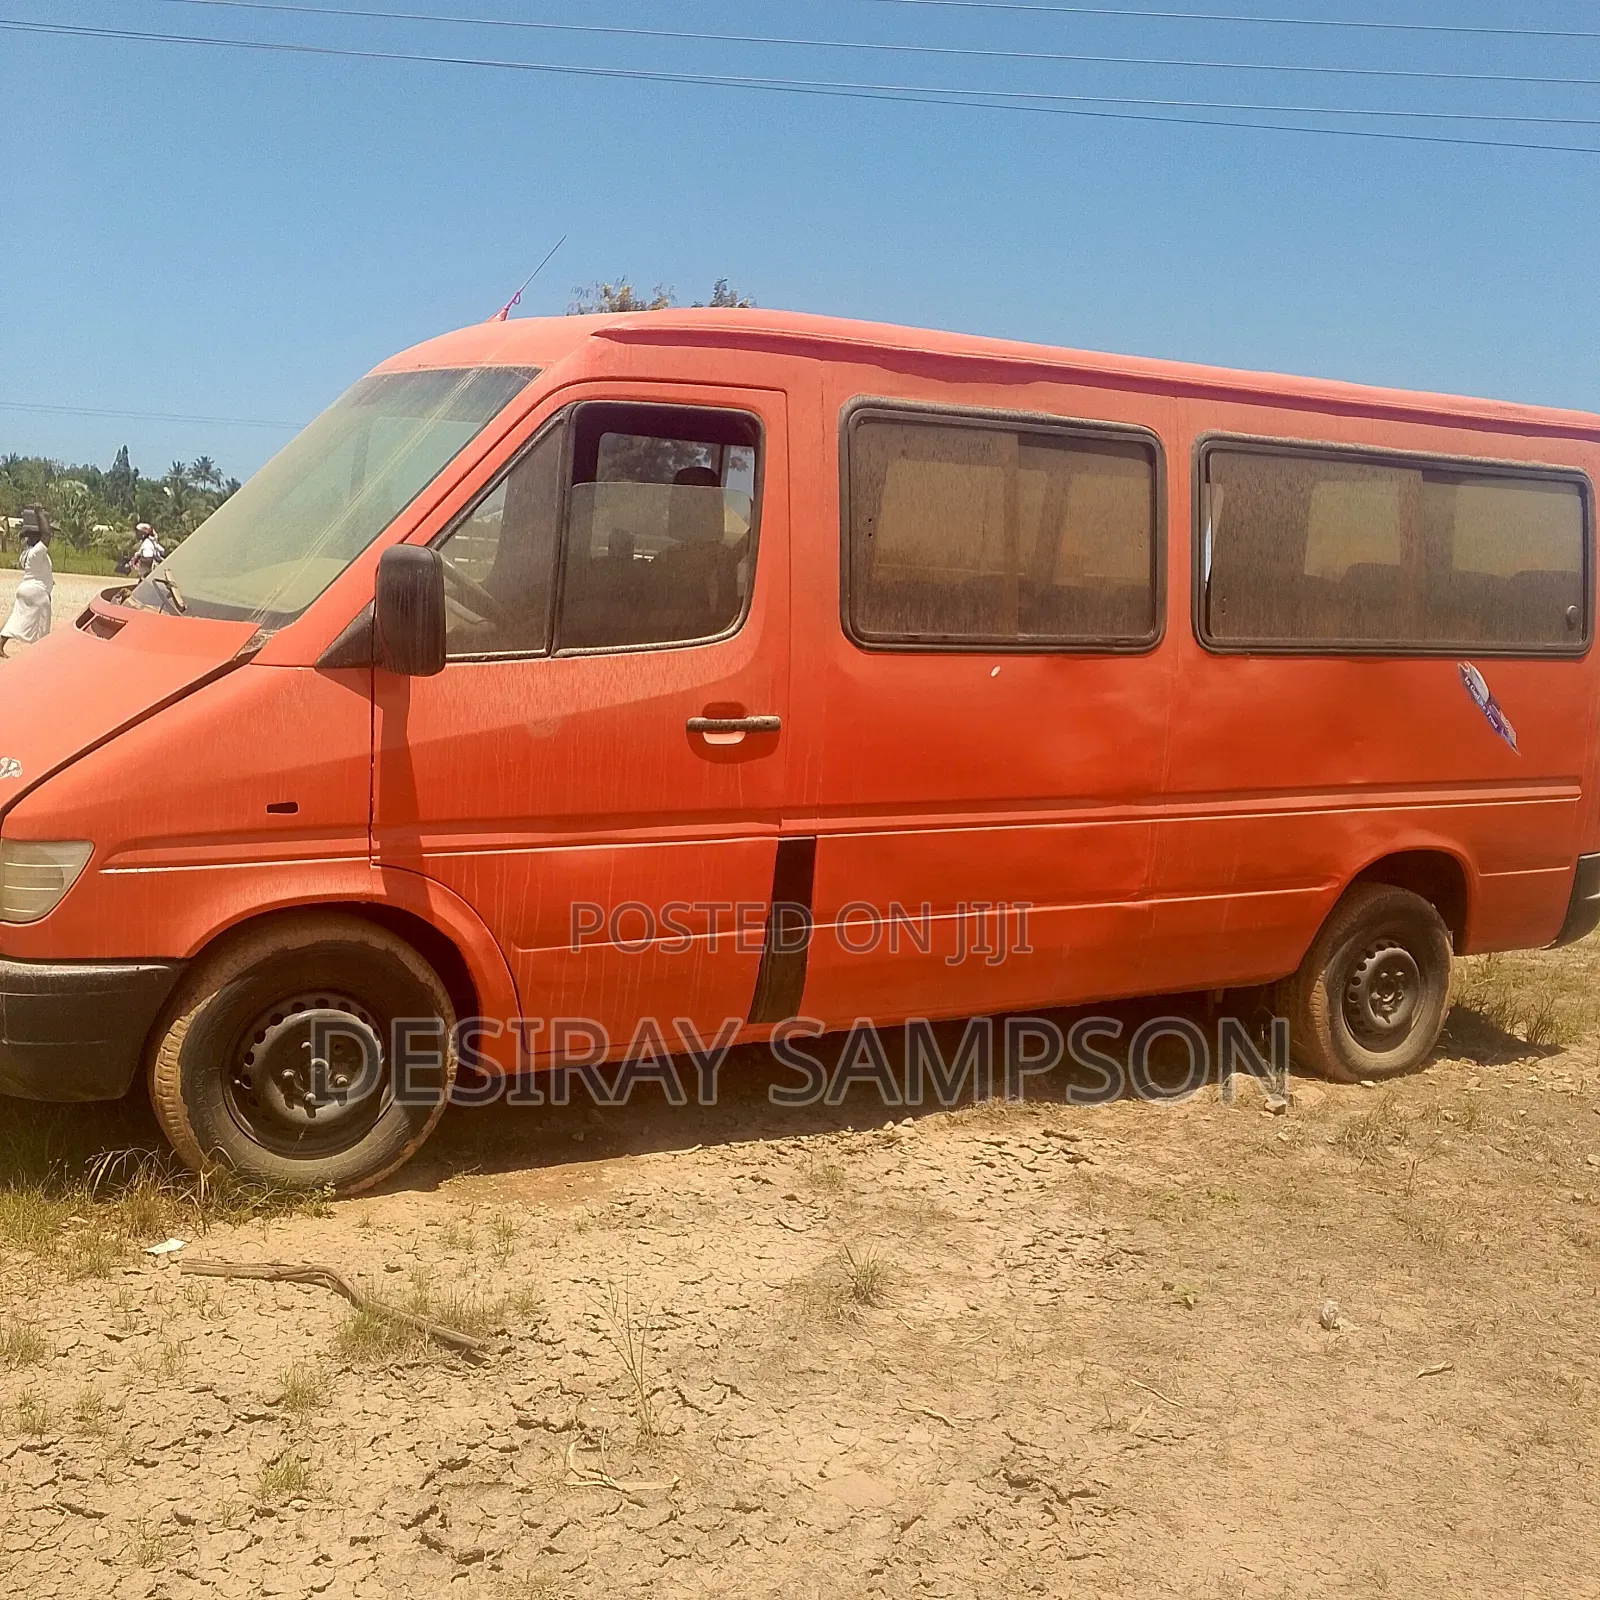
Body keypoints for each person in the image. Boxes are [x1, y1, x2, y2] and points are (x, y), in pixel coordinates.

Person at [0, 511, 54, 657]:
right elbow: (47, 535)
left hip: (26, 589)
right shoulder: (36, 552)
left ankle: (0, 643)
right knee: (43, 625)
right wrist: (39, 513)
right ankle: (42, 652)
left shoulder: (27, 553)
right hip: (37, 592)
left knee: (17, 618)